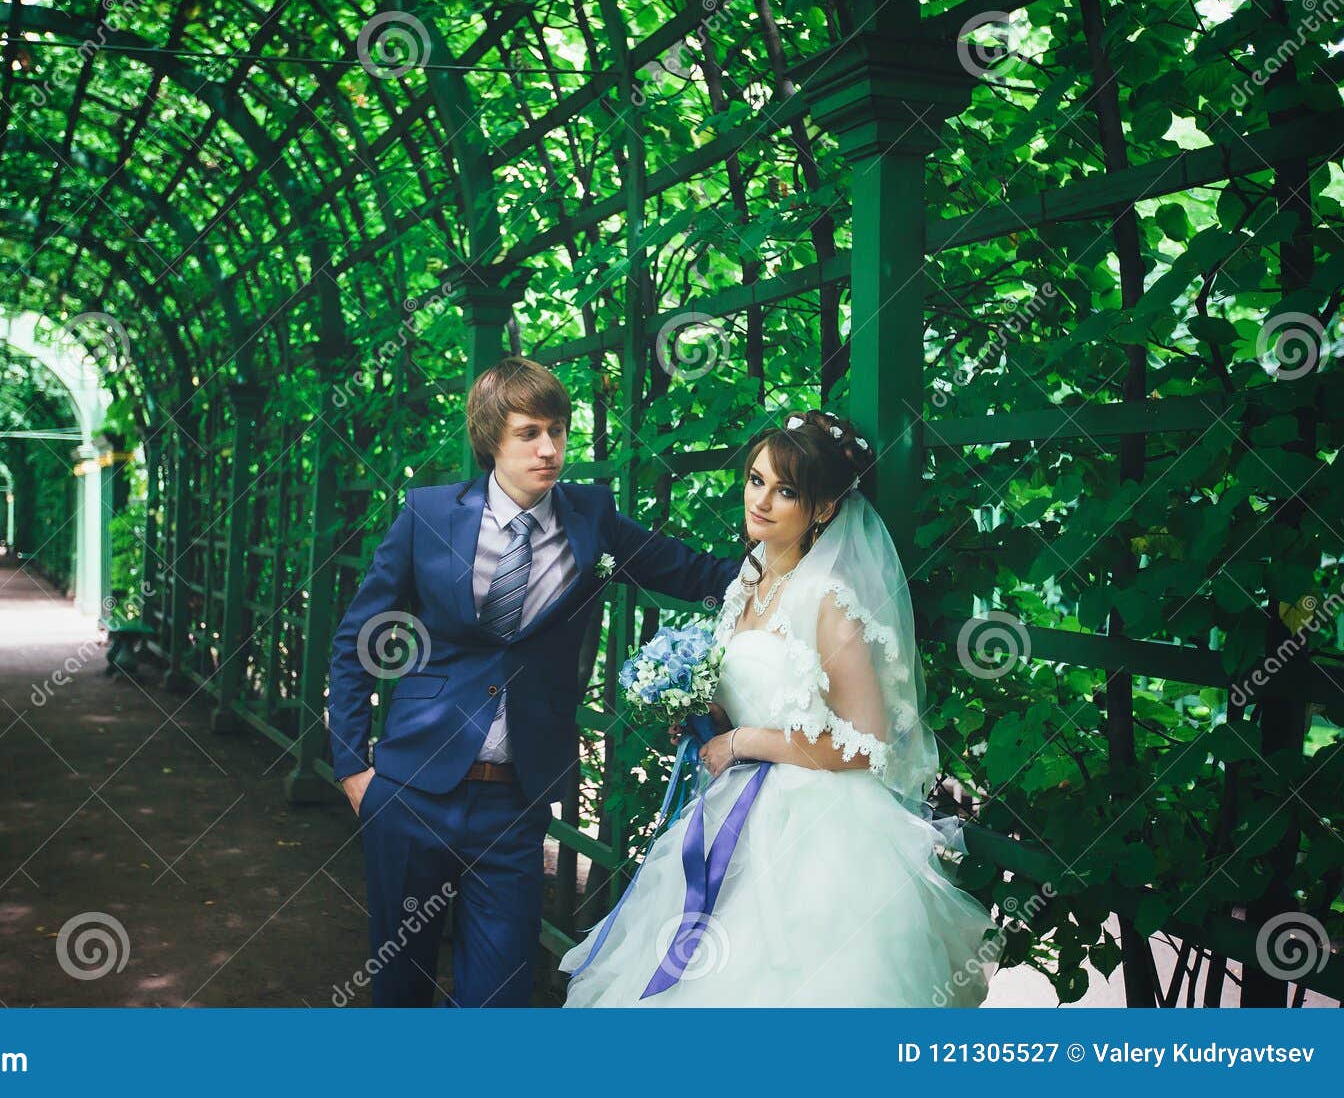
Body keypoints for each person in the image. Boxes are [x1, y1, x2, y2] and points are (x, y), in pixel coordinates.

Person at [327, 356, 739, 1007]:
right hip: (411, 792)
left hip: (514, 807)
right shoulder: (428, 515)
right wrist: (353, 768)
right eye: (529, 433)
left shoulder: (592, 519)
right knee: (401, 990)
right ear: (491, 438)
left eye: (557, 430)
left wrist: (795, 555)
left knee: (500, 998)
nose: (549, 449)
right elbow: (358, 639)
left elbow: (693, 573)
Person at [558, 409, 997, 1006]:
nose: (761, 501)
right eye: (755, 480)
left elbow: (866, 743)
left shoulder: (829, 599)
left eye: (786, 491)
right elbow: (758, 693)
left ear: (824, 509)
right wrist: (707, 716)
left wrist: (744, 743)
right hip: (734, 806)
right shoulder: (749, 581)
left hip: (814, 826)